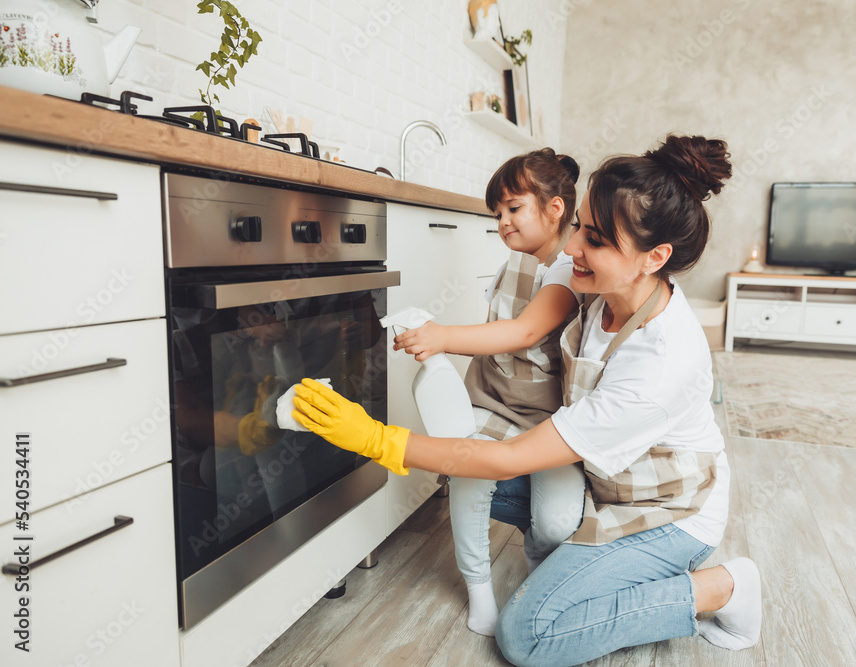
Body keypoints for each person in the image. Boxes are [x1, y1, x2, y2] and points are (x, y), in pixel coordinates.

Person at [292, 134, 762, 666]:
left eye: (597, 239)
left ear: (654, 258)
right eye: (579, 225)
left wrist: (377, 439)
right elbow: (522, 325)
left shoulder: (662, 362)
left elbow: (511, 458)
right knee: (460, 474)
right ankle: (593, 568)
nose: (572, 248)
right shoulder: (594, 284)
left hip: (668, 511)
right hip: (606, 482)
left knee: (527, 637)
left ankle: (723, 587)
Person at [392, 148, 587, 636]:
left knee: (558, 521)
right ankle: (478, 585)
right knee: (466, 470)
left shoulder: (569, 269)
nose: (502, 222)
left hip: (550, 422)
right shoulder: (517, 261)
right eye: (496, 213)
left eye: (513, 208)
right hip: (493, 402)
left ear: (555, 207)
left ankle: (539, 560)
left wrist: (441, 335)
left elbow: (522, 332)